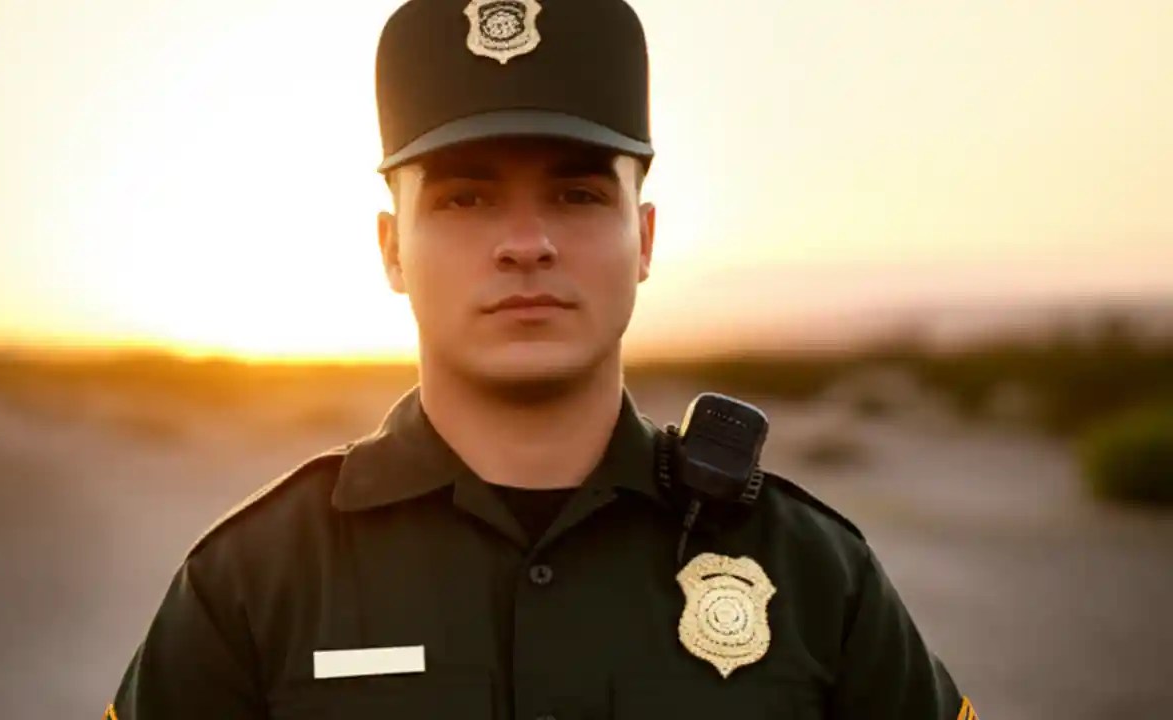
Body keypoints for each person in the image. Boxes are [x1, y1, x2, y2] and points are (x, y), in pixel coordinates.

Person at [106, 0, 978, 718]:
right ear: (392, 250)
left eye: (577, 193)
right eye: (465, 198)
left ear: (643, 238)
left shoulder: (810, 573)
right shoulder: (256, 583)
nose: (526, 243)